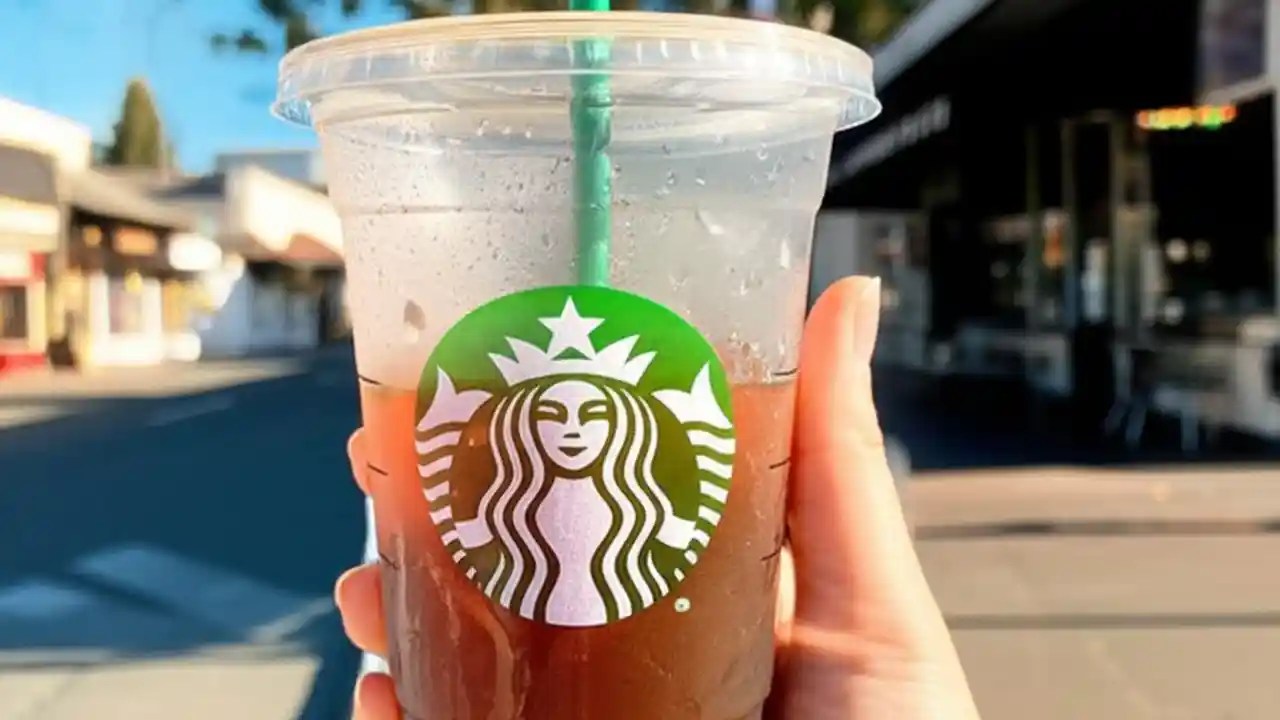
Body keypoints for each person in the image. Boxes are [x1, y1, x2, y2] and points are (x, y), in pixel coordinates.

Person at [335, 277, 983, 719]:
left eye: (594, 411)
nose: (573, 430)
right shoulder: (490, 525)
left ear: (628, 425)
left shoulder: (661, 526)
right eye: (551, 414)